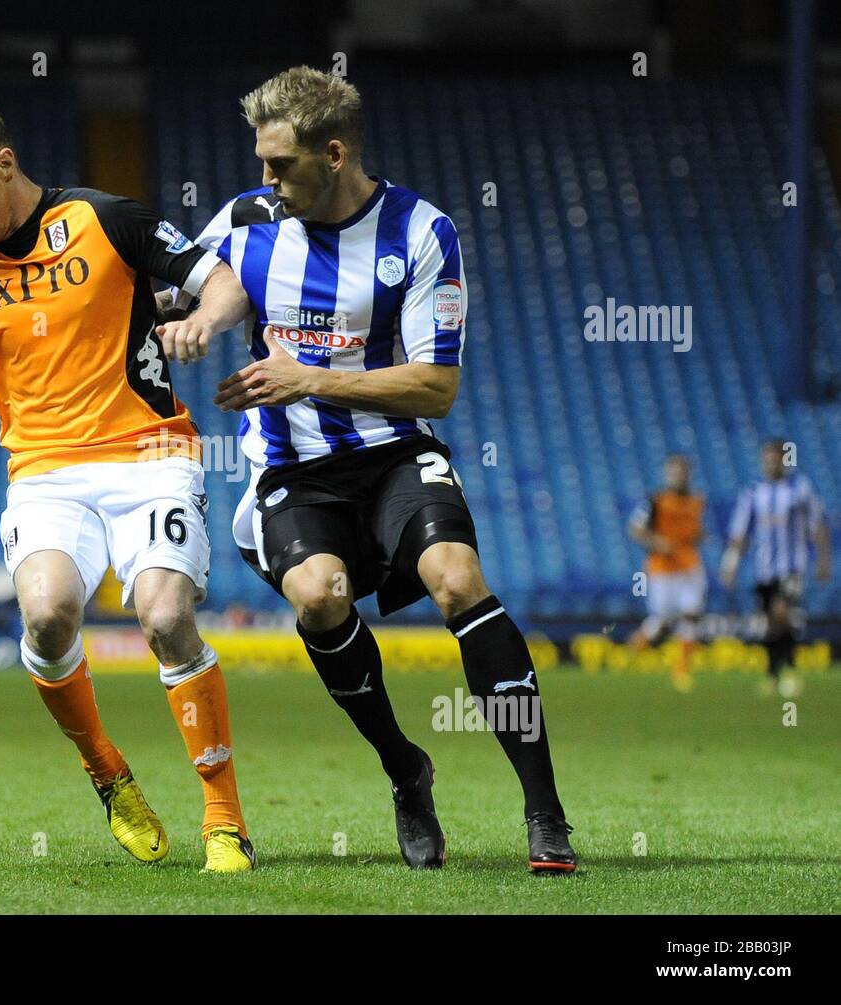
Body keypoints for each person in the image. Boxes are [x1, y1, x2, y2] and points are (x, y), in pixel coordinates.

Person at [166, 67, 576, 873]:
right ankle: (405, 769)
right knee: (318, 596)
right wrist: (185, 322)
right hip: (293, 470)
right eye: (261, 162)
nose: (266, 180)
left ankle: (545, 812)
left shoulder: (422, 232)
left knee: (459, 577)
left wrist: (309, 376)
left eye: (281, 164)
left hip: (394, 453)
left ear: (336, 151)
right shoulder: (248, 222)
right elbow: (184, 287)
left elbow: (438, 387)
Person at [0, 95, 257, 872]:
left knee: (165, 614)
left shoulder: (105, 218)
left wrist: (203, 323)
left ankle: (224, 817)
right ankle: (108, 773)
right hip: (45, 473)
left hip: (150, 455)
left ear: (4, 164)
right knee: (47, 616)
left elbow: (223, 278)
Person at [720, 439, 831, 697]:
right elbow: (740, 534)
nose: (771, 463)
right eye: (767, 458)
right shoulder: (753, 491)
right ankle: (772, 674)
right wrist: (731, 565)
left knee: (782, 612)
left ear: (785, 459)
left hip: (792, 566)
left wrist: (824, 560)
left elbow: (818, 526)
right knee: (770, 622)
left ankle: (790, 670)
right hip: (763, 569)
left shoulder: (800, 488)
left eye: (776, 457)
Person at [627, 454, 706, 691]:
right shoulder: (655, 500)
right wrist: (657, 542)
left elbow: (698, 531)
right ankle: (633, 650)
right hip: (662, 569)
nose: (678, 476)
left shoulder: (697, 501)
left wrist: (696, 537)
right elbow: (635, 529)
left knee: (691, 614)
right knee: (660, 623)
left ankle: (681, 672)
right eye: (674, 471)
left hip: (690, 567)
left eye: (682, 471)